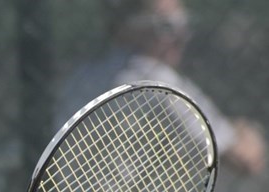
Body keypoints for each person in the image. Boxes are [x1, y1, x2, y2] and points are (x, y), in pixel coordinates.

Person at [57, 0, 265, 176]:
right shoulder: (158, 82)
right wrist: (244, 132)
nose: (181, 36)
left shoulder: (81, 77)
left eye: (184, 24)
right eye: (166, 27)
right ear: (128, 29)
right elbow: (244, 158)